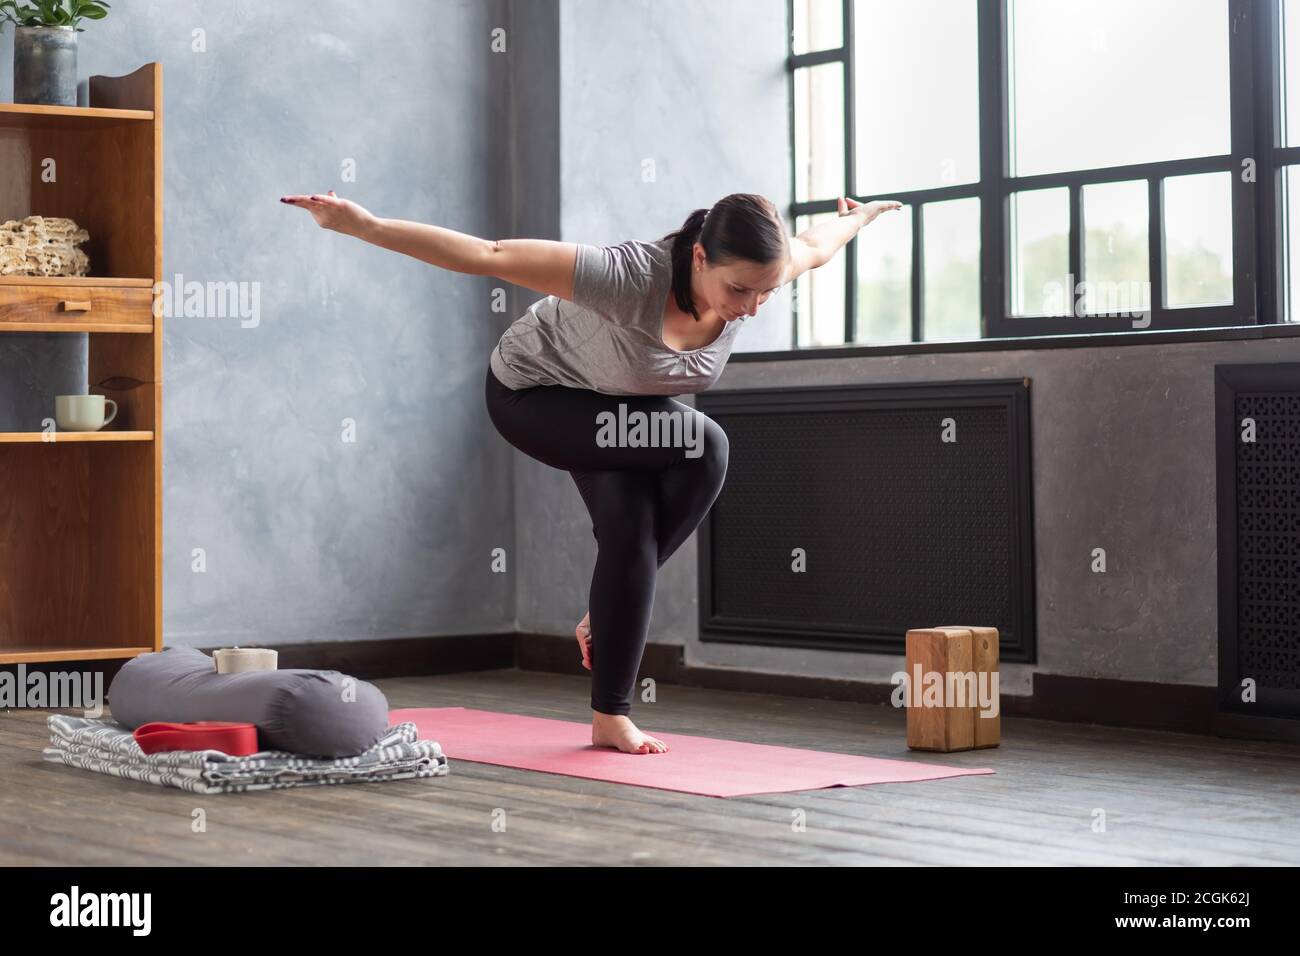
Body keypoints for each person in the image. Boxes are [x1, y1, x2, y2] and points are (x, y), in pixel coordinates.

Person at [281, 189, 901, 753]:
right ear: (701, 258)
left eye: (767, 292)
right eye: (740, 291)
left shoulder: (762, 269)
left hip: (620, 407)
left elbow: (817, 247)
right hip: (534, 394)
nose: (753, 307)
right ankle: (612, 654)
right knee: (706, 445)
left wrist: (862, 217)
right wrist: (363, 225)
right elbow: (488, 254)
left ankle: (610, 714)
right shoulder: (628, 276)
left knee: (633, 524)